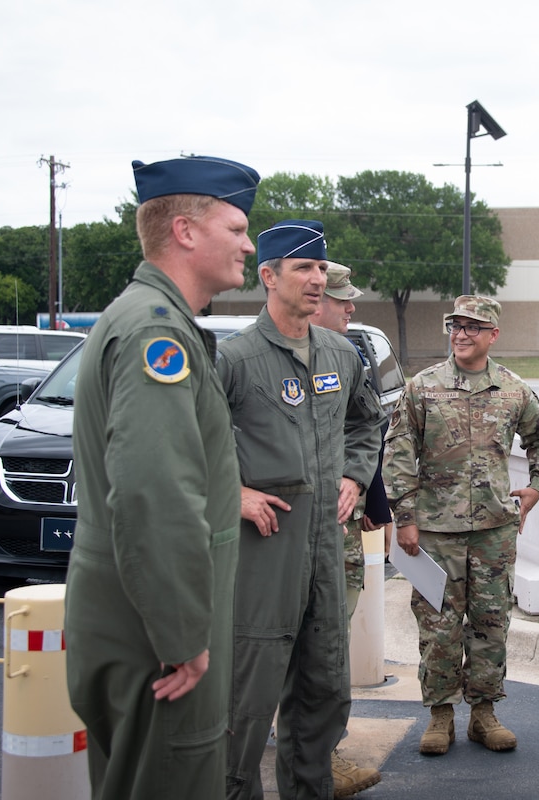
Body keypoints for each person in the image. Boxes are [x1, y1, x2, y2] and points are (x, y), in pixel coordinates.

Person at [65, 154, 259, 799]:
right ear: (184, 231)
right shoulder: (156, 332)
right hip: (157, 638)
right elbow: (154, 492)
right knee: (175, 777)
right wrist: (182, 635)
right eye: (235, 229)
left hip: (135, 617)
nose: (249, 245)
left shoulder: (148, 318)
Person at [218, 220, 385, 800]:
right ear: (268, 277)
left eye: (321, 269)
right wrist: (231, 494)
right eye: (303, 269)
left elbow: (367, 423)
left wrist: (353, 474)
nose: (318, 280)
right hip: (263, 556)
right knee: (247, 699)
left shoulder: (341, 351)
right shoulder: (234, 359)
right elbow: (188, 445)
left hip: (325, 553)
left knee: (324, 692)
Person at [383, 295, 539, 756]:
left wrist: (536, 488)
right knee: (438, 625)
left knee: (489, 622)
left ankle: (484, 714)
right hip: (435, 532)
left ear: (493, 335)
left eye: (472, 327)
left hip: (494, 531)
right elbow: (399, 451)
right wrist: (405, 518)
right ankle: (440, 716)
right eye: (455, 326)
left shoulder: (513, 389)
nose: (461, 334)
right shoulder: (423, 387)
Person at [306, 261, 392, 795]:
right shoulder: (255, 357)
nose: (350, 308)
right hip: (285, 531)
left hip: (337, 527)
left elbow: (367, 429)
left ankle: (319, 754)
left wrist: (367, 495)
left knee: (329, 643)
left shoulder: (347, 357)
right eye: (342, 300)